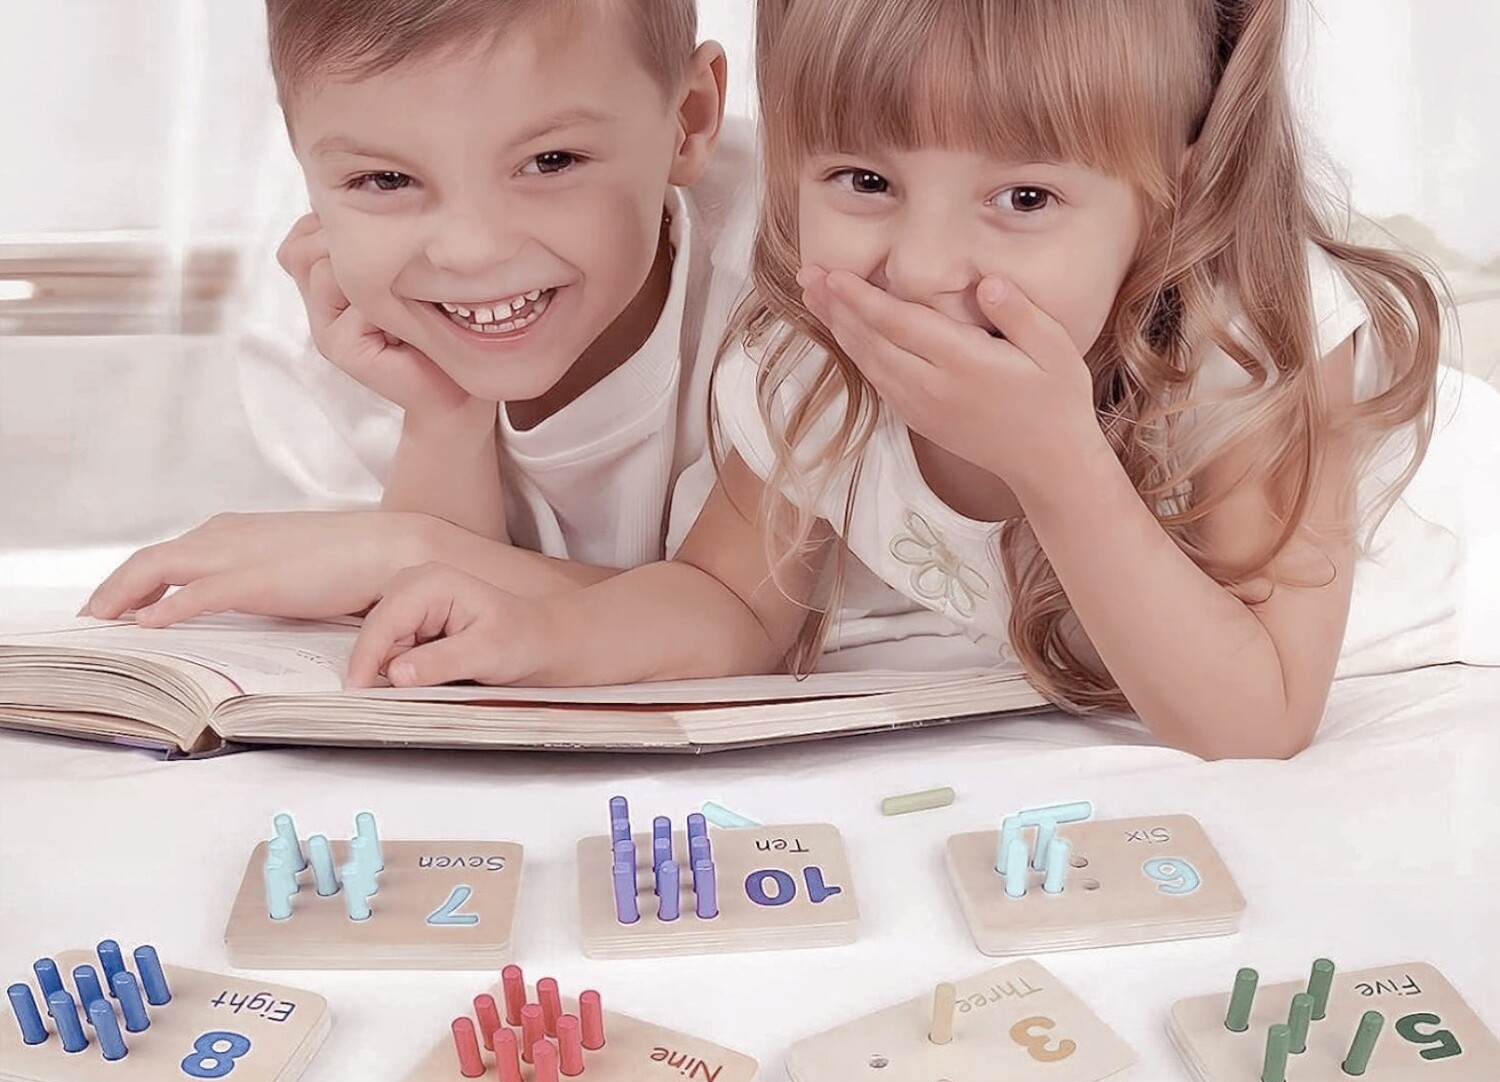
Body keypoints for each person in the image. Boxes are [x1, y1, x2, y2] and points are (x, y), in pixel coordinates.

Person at [349, 0, 1482, 760]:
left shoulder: (1251, 349)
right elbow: (734, 605)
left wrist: (1055, 459)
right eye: (863, 179)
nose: (925, 266)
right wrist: (543, 640)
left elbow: (1261, 718)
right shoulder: (817, 358)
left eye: (1024, 199)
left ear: (1177, 189)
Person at [83, 0, 753, 625]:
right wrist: (442, 423)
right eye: (387, 180)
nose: (469, 252)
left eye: (551, 161)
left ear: (687, 120)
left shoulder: (789, 275)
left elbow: (745, 619)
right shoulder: (331, 334)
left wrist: (399, 550)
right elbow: (448, 626)